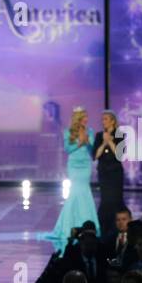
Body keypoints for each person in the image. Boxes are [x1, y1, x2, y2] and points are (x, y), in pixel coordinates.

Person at [45, 107, 99, 253]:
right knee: (75, 194)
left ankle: (87, 225)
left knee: (85, 193)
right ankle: (70, 225)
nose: (87, 119)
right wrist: (79, 143)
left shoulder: (90, 132)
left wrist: (87, 142)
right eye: (84, 117)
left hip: (85, 166)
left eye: (87, 117)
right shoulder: (68, 132)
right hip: (74, 166)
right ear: (78, 118)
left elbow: (92, 151)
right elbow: (68, 149)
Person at [92, 109, 127, 235]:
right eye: (102, 119)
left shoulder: (120, 135)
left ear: (112, 121)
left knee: (116, 200)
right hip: (103, 173)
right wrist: (104, 142)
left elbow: (120, 155)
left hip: (115, 173)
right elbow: (95, 155)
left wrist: (110, 141)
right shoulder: (98, 135)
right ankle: (104, 227)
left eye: (106, 119)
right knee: (105, 200)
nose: (103, 122)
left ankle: (117, 227)